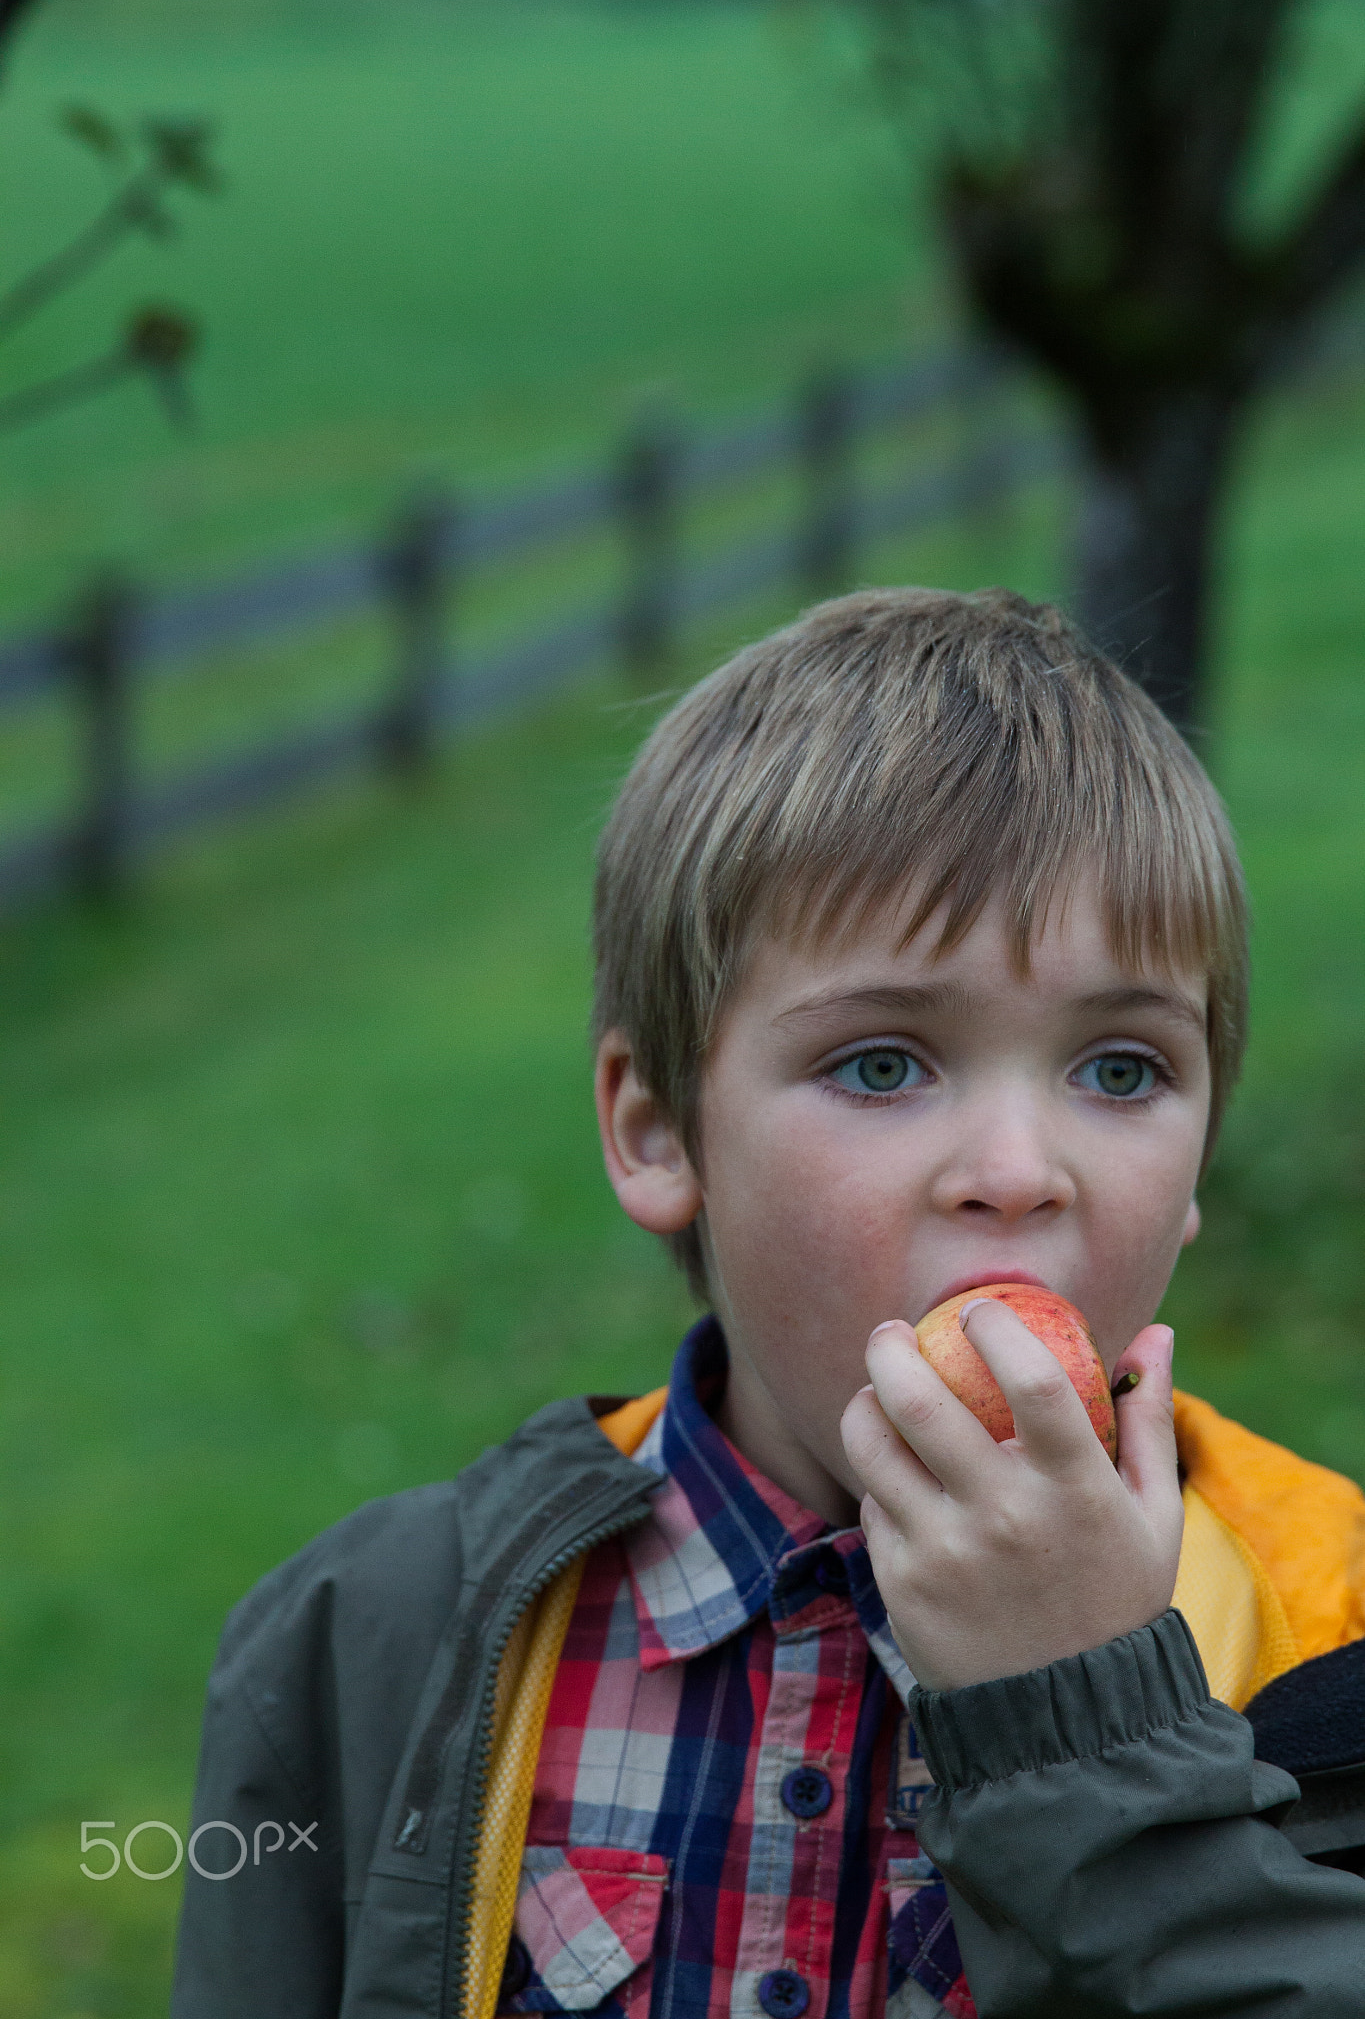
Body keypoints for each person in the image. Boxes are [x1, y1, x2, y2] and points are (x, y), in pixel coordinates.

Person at [172, 588, 1365, 2019]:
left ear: (1195, 1161)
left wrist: (1088, 1723)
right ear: (661, 1129)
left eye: (1118, 1070)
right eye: (880, 1064)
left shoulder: (1330, 1639)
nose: (1014, 1172)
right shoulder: (368, 1641)